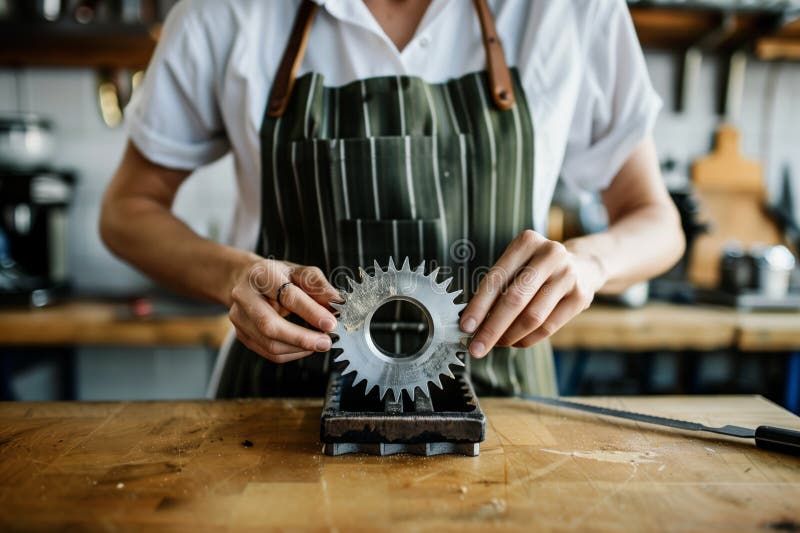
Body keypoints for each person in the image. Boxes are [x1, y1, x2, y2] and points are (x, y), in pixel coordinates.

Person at [100, 0, 685, 398]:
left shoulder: (569, 12)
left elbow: (656, 220)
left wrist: (591, 262)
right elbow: (128, 209)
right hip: (278, 417)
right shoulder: (225, 11)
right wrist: (234, 274)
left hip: (504, 415)